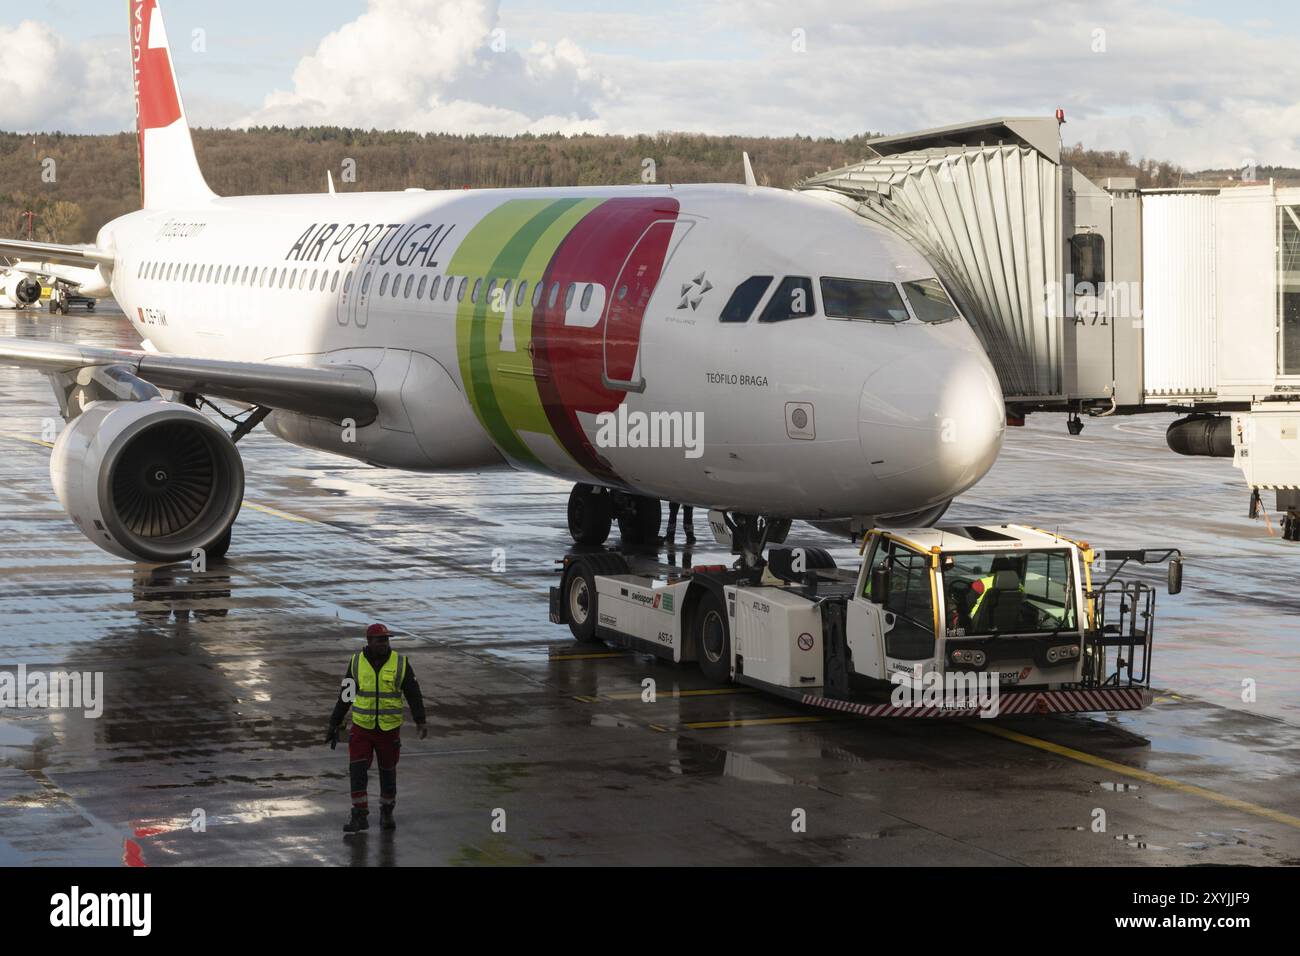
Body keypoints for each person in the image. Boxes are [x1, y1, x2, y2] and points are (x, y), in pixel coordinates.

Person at [327, 623, 427, 833]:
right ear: (369, 642)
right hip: (362, 729)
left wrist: (420, 720)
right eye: (379, 640)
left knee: (388, 771)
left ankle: (387, 811)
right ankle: (359, 815)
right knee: (357, 771)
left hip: (388, 730)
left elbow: (413, 693)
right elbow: (346, 696)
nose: (384, 644)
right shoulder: (356, 663)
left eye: (386, 640)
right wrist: (334, 722)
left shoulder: (400, 663)